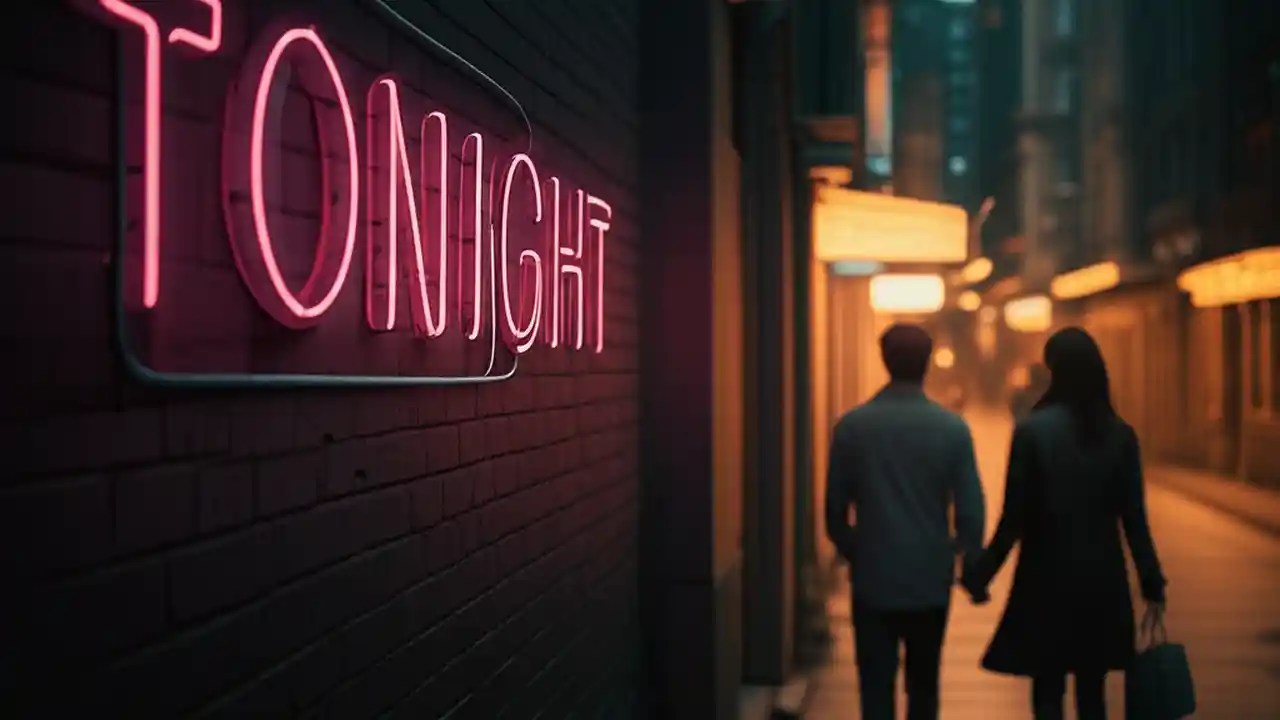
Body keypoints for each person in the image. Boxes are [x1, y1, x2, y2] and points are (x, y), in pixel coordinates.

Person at [961, 327, 1167, 720]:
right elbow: (1135, 521)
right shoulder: (1120, 435)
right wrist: (1151, 580)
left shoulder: (1032, 432)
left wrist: (981, 575)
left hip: (1045, 579)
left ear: (1053, 368)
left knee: (1048, 686)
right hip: (1102, 582)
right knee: (1093, 691)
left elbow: (1013, 520)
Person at [825, 323, 987, 720]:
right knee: (924, 684)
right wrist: (966, 558)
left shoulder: (853, 428)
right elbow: (970, 509)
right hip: (929, 578)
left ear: (885, 361)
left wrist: (856, 549)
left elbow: (834, 511)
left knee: (875, 686)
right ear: (927, 364)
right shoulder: (952, 429)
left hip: (874, 576)